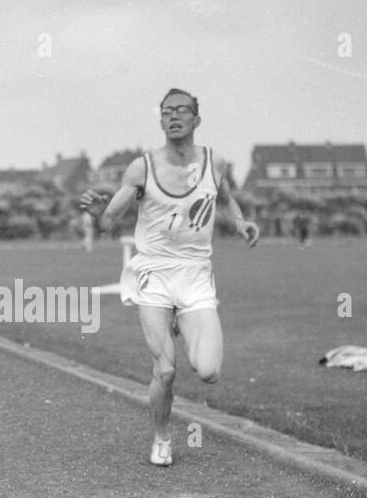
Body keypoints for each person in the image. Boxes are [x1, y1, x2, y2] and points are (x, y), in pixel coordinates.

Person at [79, 88, 259, 466]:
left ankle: (184, 322)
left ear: (197, 119)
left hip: (195, 278)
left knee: (208, 372)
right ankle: (162, 438)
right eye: (166, 112)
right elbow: (111, 221)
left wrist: (241, 224)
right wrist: (99, 213)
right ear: (160, 120)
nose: (174, 116)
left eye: (182, 111)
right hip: (154, 276)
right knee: (165, 368)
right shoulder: (142, 168)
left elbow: (225, 200)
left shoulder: (214, 163)